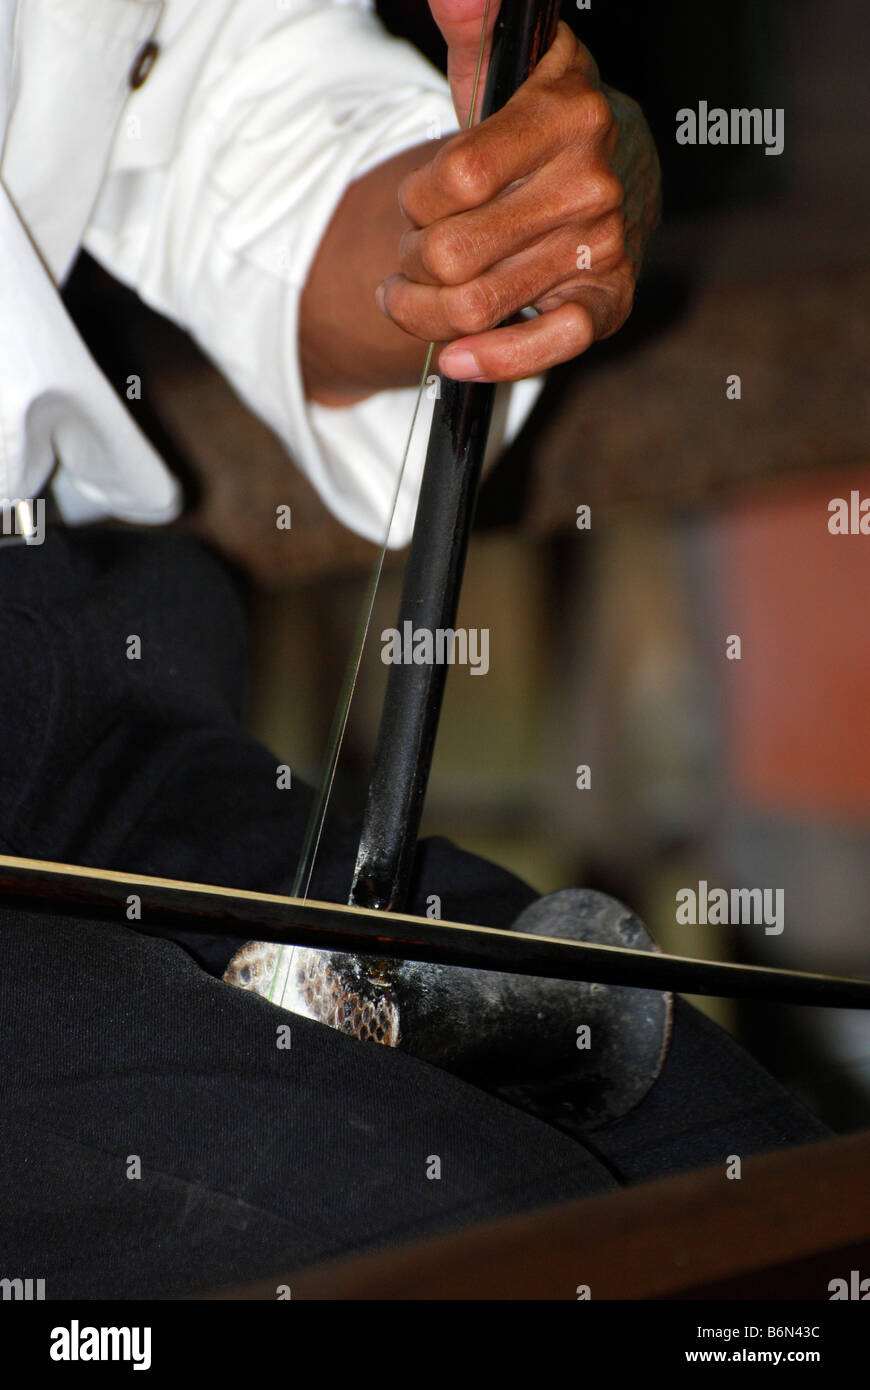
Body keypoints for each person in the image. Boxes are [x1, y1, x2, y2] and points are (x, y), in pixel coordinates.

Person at [0, 1, 824, 1299]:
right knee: (500, 1238)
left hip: (62, 701)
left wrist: (494, 224)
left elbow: (226, 101)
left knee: (755, 1195)